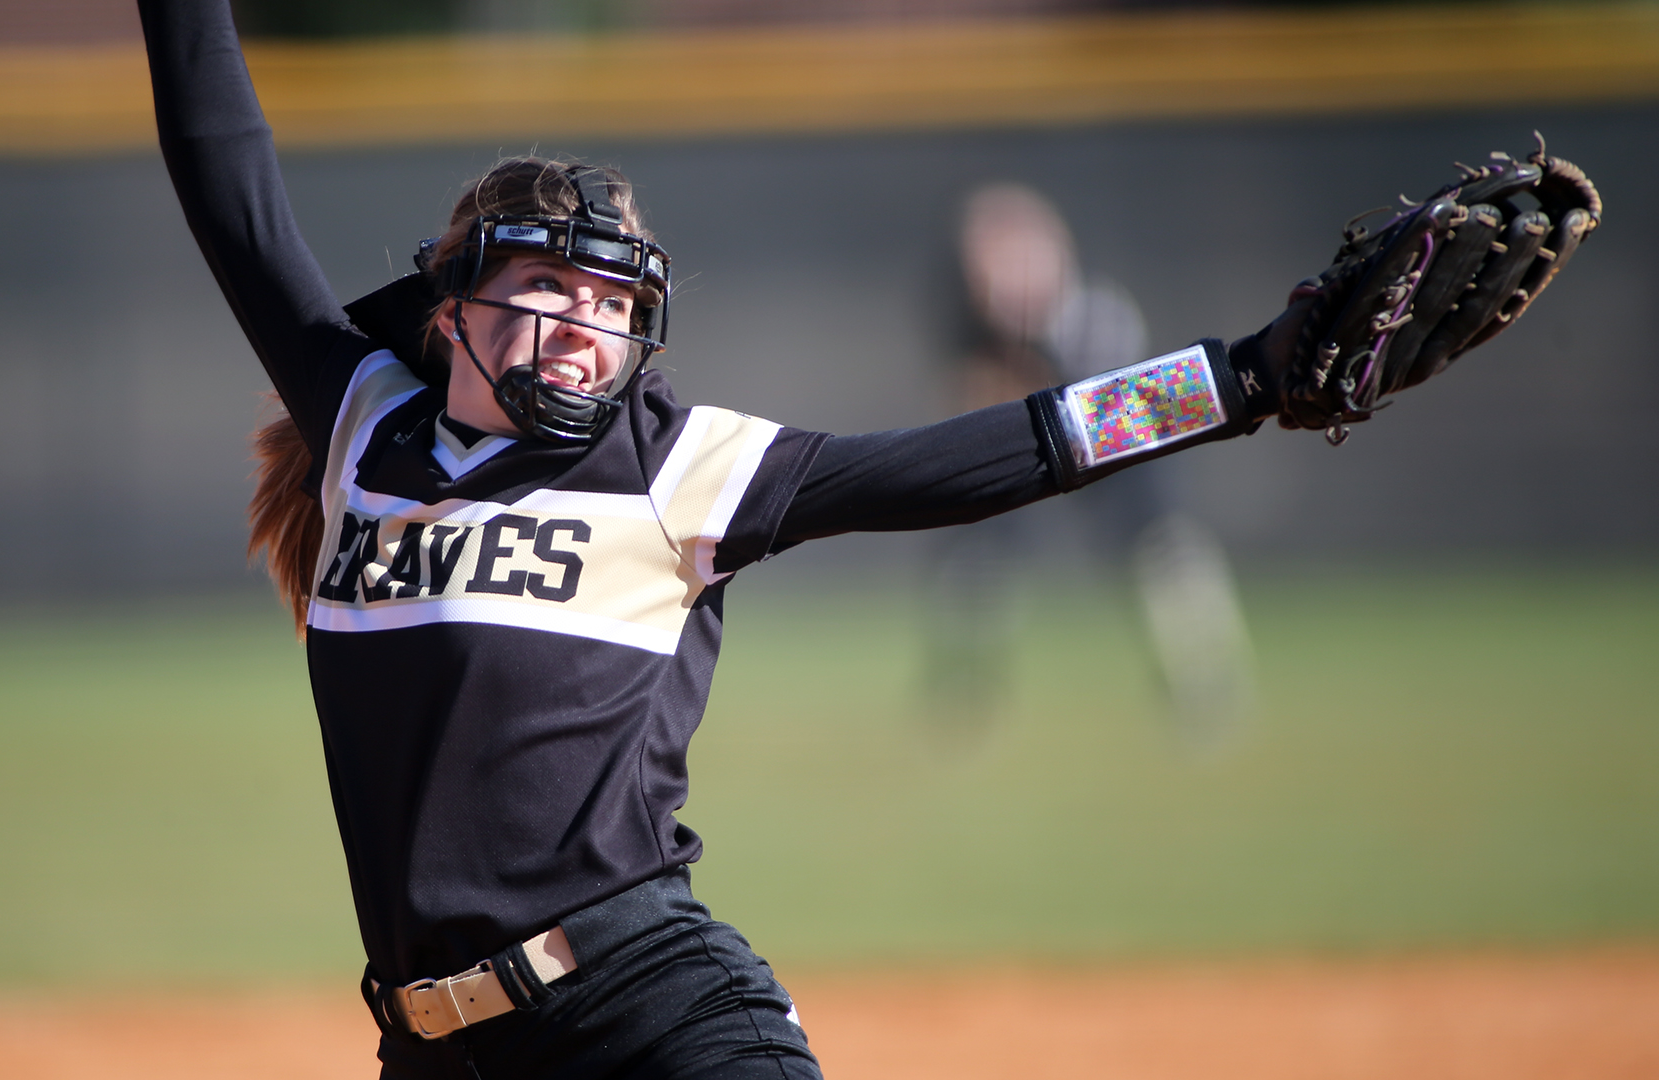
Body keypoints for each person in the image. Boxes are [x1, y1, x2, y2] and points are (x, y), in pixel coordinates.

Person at [139, 2, 1311, 1075]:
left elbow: (988, 455)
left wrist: (1245, 379)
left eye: (614, 304)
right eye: (552, 285)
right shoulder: (361, 426)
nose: (586, 326)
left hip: (649, 1017)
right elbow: (224, 175)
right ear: (453, 310)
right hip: (431, 1051)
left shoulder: (674, 464)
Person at [924, 184, 1258, 748]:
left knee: (1166, 552)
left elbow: (1127, 414)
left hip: (1121, 439)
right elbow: (969, 399)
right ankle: (963, 692)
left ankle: (1206, 684)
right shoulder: (975, 323)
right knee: (976, 556)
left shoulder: (1097, 315)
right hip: (1038, 440)